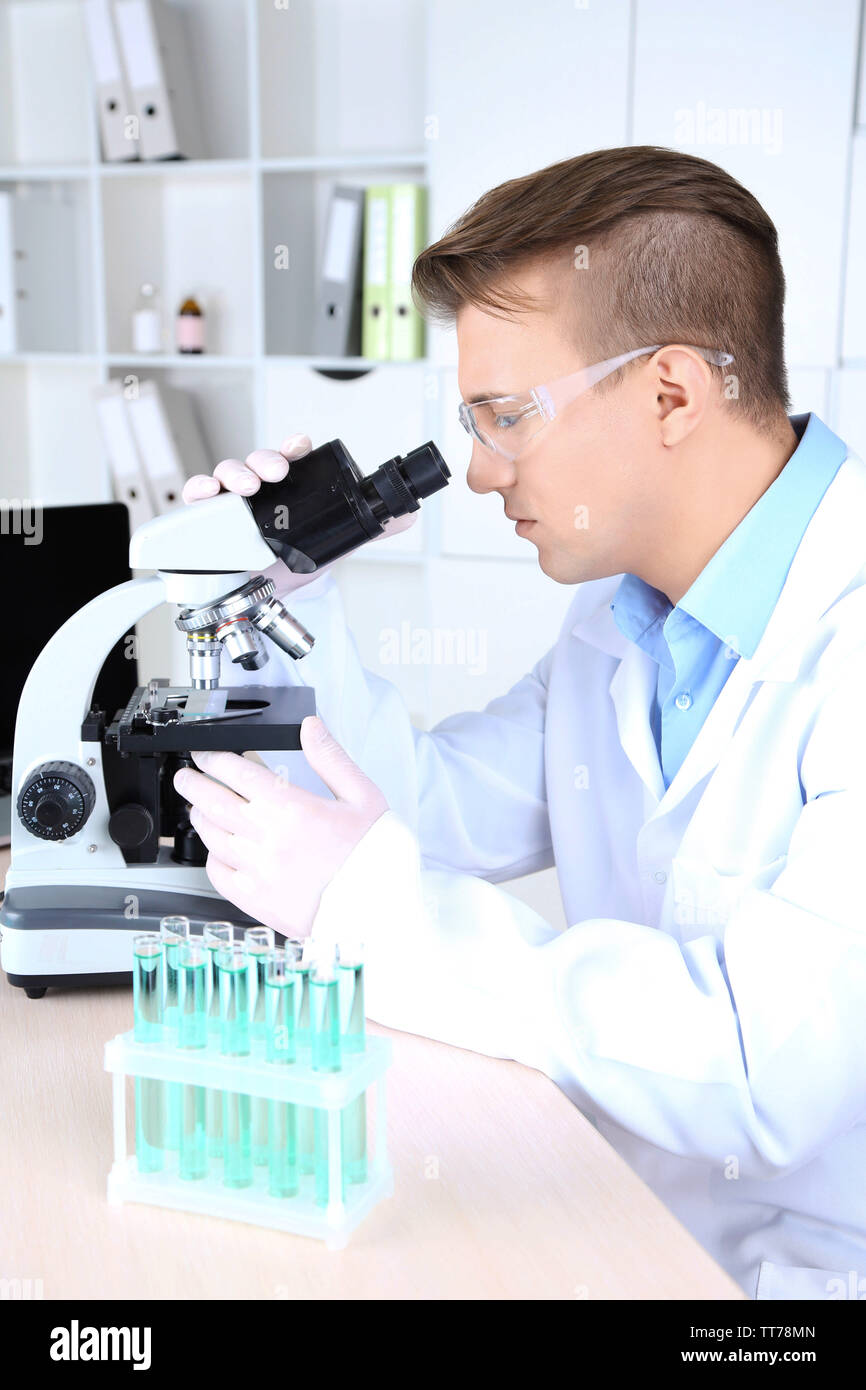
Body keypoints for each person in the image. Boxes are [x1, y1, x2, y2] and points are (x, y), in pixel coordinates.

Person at [178, 146, 866, 1301]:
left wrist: (376, 912)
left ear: (671, 394)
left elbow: (762, 1067)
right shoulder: (625, 616)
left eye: (504, 417)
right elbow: (427, 814)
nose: (483, 473)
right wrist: (294, 599)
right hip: (620, 1224)